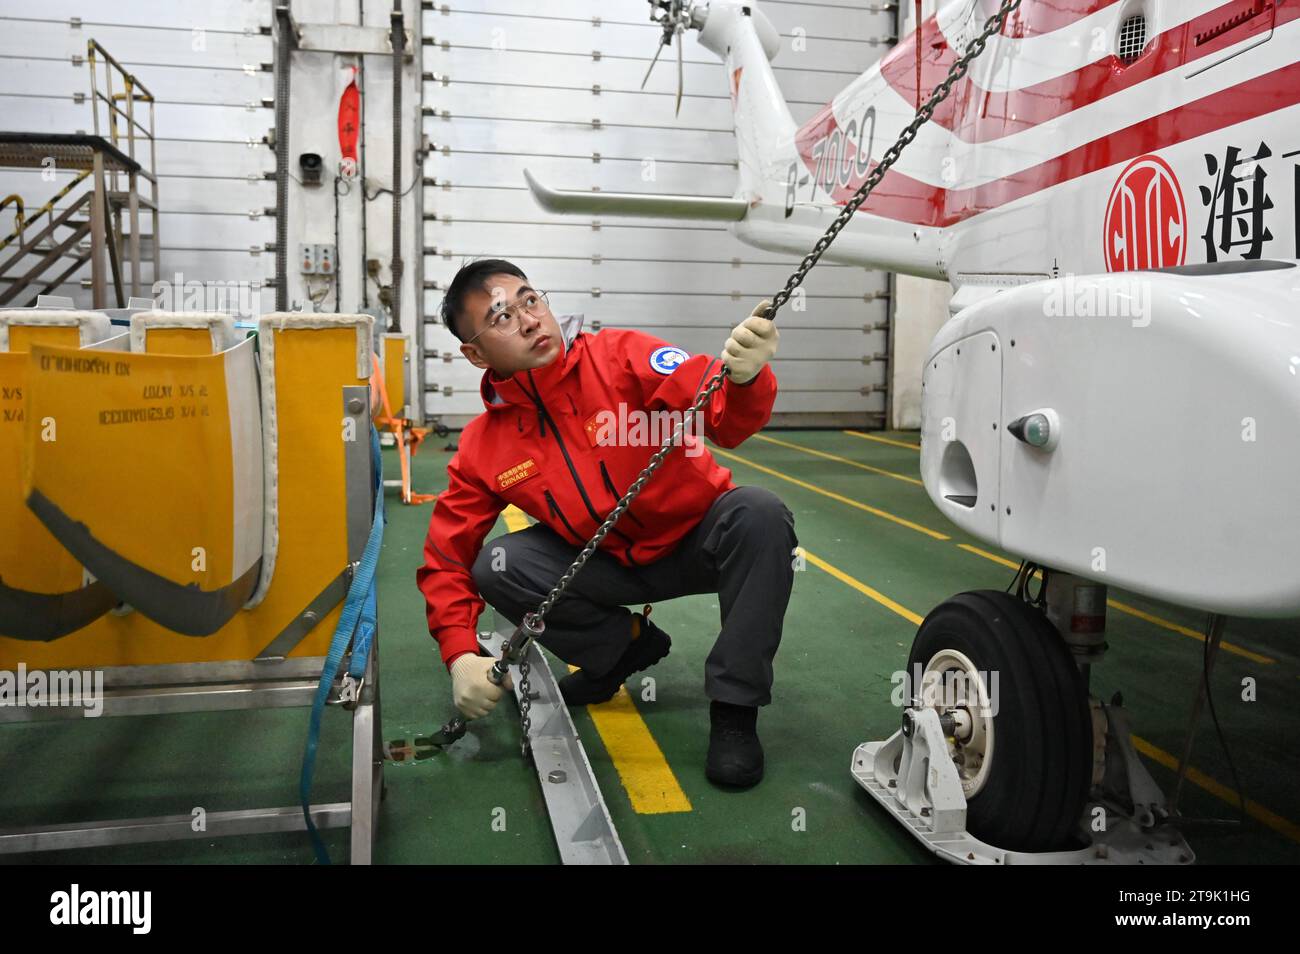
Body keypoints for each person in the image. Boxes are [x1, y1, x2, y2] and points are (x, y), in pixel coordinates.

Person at [416, 258, 797, 787]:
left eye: (530, 299)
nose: (529, 320)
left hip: (696, 543)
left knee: (759, 514)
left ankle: (735, 709)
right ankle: (621, 649)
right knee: (498, 565)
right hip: (606, 563)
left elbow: (724, 418)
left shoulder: (621, 356)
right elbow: (446, 558)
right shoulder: (484, 446)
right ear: (475, 354)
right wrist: (459, 653)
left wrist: (747, 377)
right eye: (501, 317)